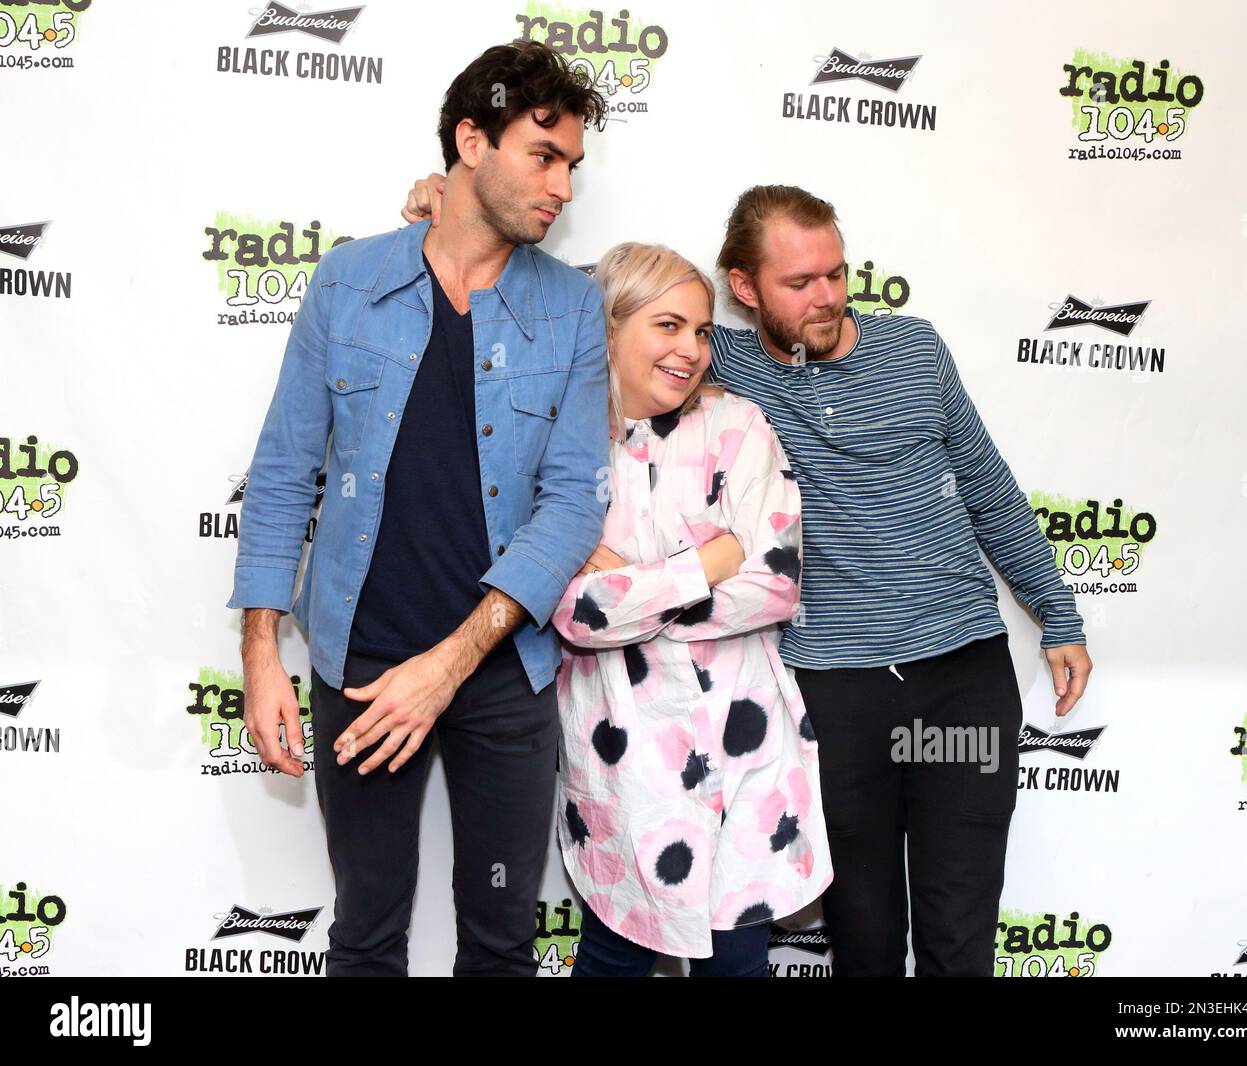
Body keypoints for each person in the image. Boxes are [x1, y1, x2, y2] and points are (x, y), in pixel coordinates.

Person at [401, 179, 1093, 977]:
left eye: (836, 273)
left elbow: (986, 486)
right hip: (837, 687)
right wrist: (459, 218)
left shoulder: (915, 350)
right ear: (745, 290)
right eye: (798, 284)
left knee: (960, 927)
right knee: (864, 938)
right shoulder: (713, 360)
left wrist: (1058, 611)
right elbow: (606, 293)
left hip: (963, 670)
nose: (825, 298)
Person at [227, 41, 610, 977]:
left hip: (499, 665)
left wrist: (447, 665)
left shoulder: (570, 309)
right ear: (470, 141)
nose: (562, 186)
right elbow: (283, 472)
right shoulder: (349, 282)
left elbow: (569, 507)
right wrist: (261, 655)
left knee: (499, 940)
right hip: (359, 659)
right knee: (364, 935)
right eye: (543, 155)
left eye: (573, 166)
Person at [549, 241, 832, 977]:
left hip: (743, 749)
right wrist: (708, 563)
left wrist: (634, 585)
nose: (692, 350)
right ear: (610, 326)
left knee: (737, 962)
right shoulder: (561, 443)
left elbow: (774, 583)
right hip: (623, 752)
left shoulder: (738, 426)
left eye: (703, 332)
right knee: (614, 952)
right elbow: (576, 614)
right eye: (668, 326)